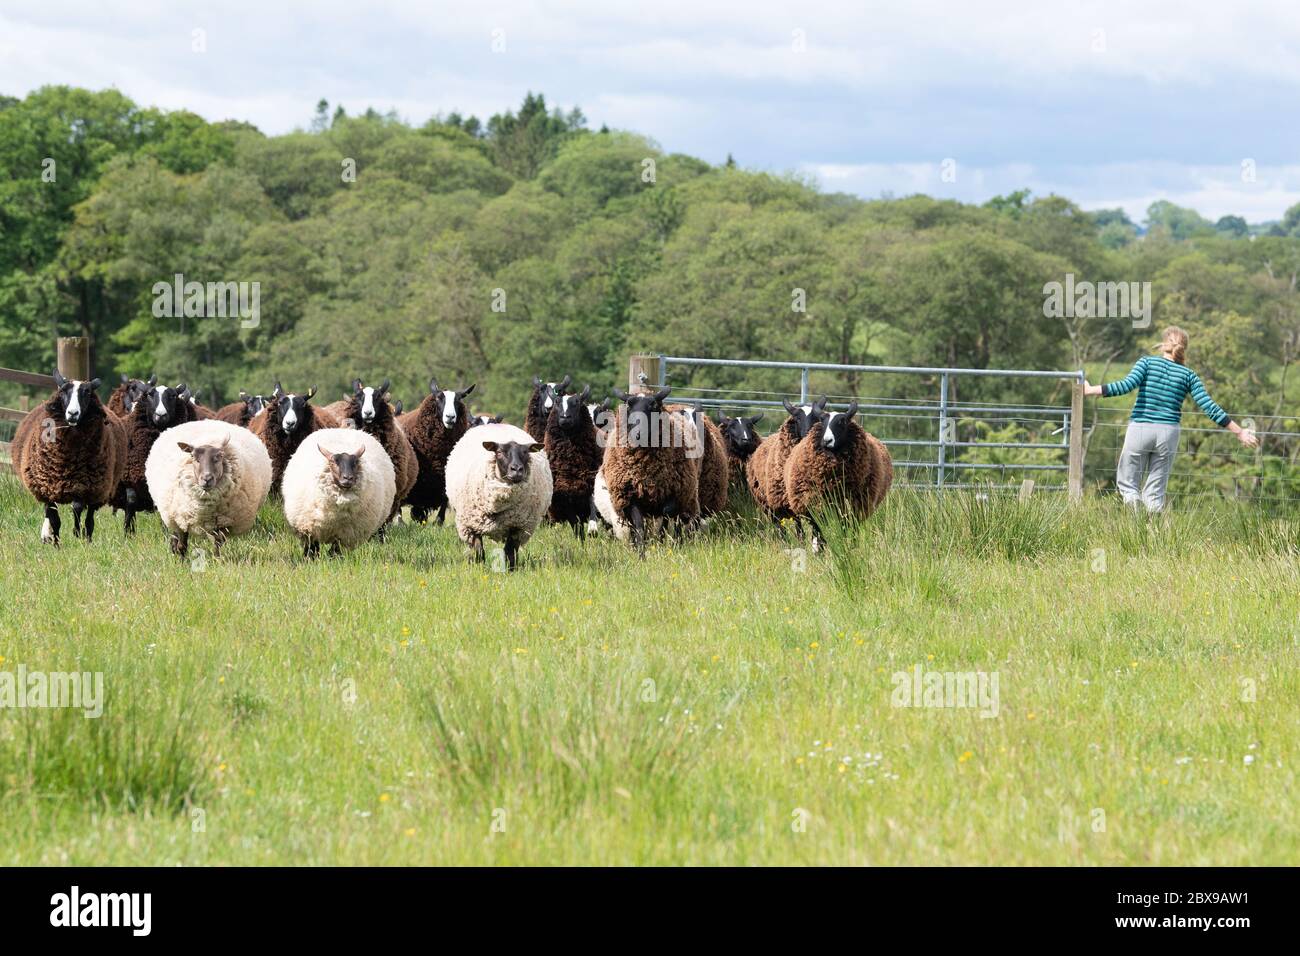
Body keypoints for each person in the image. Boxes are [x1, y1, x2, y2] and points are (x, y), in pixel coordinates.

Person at [1084, 326, 1258, 511]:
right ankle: (1152, 534)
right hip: (1168, 433)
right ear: (1184, 348)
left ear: (1163, 344)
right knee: (1155, 491)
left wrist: (1091, 390)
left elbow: (1125, 386)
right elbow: (1209, 407)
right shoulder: (1189, 375)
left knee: (1128, 483)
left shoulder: (1146, 363)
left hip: (1141, 427)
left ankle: (1134, 510)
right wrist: (1239, 432)